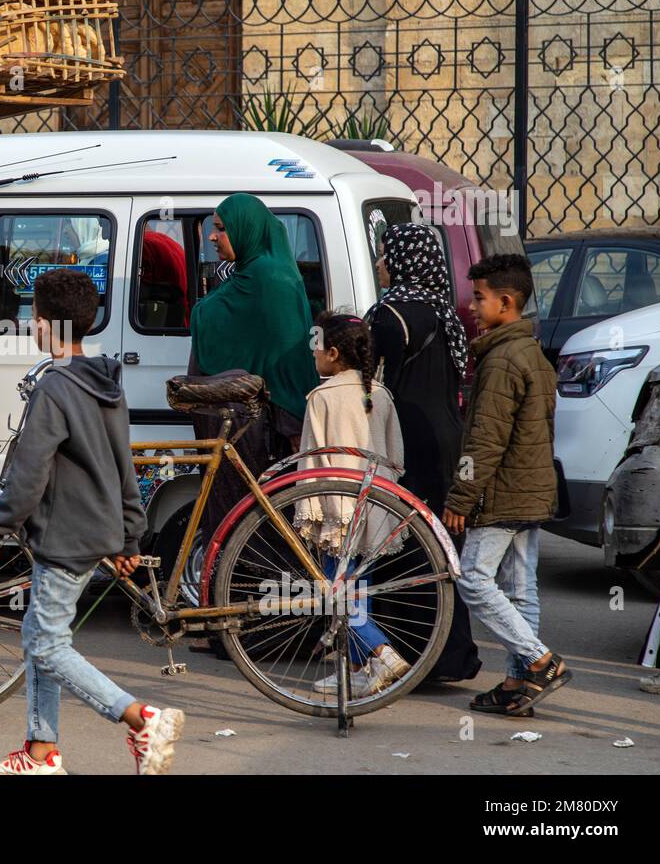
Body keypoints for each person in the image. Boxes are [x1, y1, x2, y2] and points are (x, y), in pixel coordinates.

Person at [0, 269, 183, 776]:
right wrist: (130, 532)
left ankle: (139, 717)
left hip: (65, 535)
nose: (30, 327)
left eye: (33, 318)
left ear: (45, 325)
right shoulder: (105, 380)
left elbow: (27, 475)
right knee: (38, 635)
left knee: (47, 643)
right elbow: (122, 463)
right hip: (93, 531)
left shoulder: (55, 388)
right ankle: (41, 751)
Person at [186, 192, 320, 652]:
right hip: (245, 427)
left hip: (258, 431)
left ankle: (266, 634)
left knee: (256, 528)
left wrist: (206, 306)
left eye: (221, 228)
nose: (212, 235)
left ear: (244, 229)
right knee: (233, 522)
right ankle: (232, 626)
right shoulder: (254, 274)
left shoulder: (268, 279)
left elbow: (278, 357)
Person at [444, 254, 570, 717]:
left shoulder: (501, 359)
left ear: (506, 301)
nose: (472, 306)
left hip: (504, 492)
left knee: (473, 579)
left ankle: (539, 662)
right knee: (520, 588)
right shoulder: (530, 352)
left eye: (478, 298)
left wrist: (461, 496)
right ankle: (520, 683)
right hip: (530, 490)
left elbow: (484, 440)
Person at [367, 221, 481, 683]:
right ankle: (451, 657)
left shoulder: (389, 315)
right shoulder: (445, 313)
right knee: (442, 551)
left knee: (402, 548)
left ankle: (410, 657)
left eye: (383, 255)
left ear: (401, 261)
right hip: (448, 441)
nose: (378, 264)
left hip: (407, 442)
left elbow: (372, 384)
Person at [294, 312, 409, 696]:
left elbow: (311, 464)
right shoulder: (381, 393)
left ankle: (381, 653)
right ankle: (360, 669)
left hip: (337, 511)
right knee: (359, 588)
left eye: (316, 347)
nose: (312, 355)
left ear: (333, 352)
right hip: (377, 508)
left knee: (336, 590)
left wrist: (310, 517)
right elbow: (396, 457)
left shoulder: (321, 397)